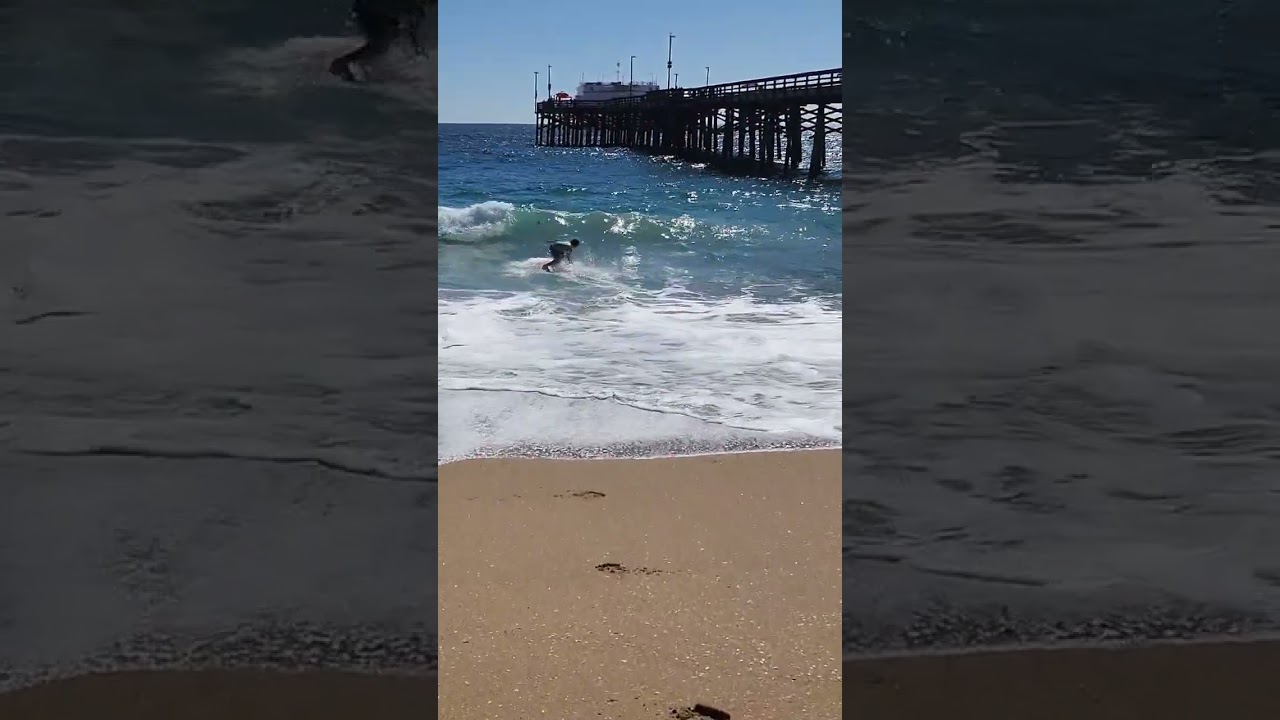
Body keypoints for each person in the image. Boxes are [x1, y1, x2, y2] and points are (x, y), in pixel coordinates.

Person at [329, 0, 433, 82]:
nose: (429, 5)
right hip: (368, 9)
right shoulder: (413, 8)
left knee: (389, 39)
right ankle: (341, 64)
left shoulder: (417, 10)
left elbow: (411, 34)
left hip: (378, 12)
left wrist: (418, 52)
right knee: (381, 45)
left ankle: (361, 65)